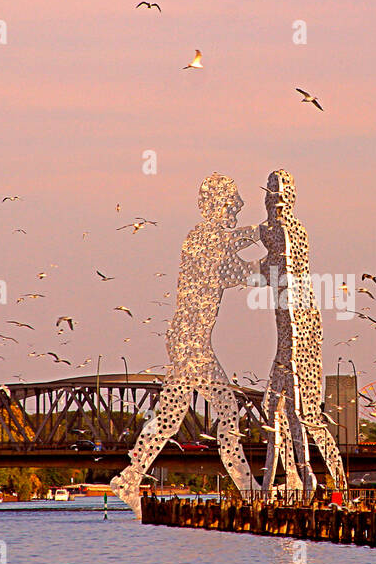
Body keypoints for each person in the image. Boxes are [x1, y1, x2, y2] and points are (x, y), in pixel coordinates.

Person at [111, 173, 262, 516]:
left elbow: (240, 262)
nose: (238, 205)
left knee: (174, 416)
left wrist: (265, 245)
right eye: (233, 200)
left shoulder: (209, 243)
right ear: (215, 205)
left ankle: (129, 477)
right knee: (220, 413)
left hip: (191, 343)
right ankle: (250, 491)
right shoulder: (202, 240)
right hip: (189, 344)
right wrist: (266, 234)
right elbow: (239, 260)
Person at [257, 169, 346, 496]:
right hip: (289, 332)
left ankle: (318, 478)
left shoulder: (287, 231)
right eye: (271, 192)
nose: (275, 199)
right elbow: (271, 270)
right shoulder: (274, 231)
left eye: (280, 193)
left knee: (301, 412)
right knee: (275, 410)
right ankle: (285, 479)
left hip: (300, 330)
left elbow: (287, 274)